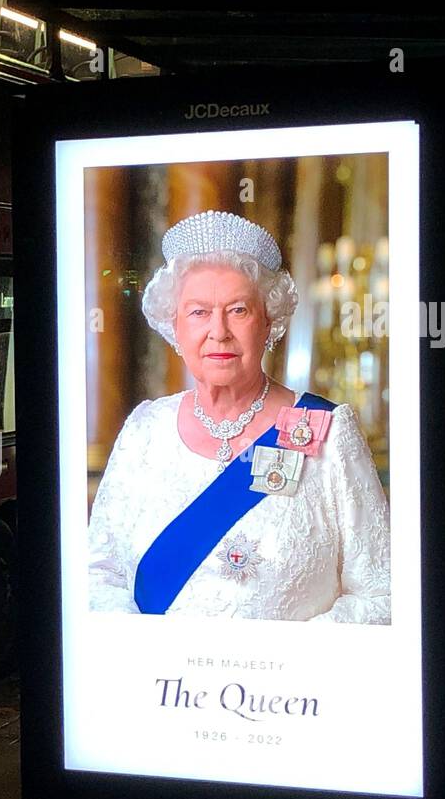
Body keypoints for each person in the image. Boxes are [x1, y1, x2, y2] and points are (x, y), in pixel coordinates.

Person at [87, 209, 391, 623]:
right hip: (166, 686)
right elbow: (99, 575)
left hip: (287, 687)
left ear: (269, 322)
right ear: (174, 326)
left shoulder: (329, 430)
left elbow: (380, 591)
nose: (219, 331)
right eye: (198, 312)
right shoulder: (144, 430)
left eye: (238, 310)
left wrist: (284, 662)